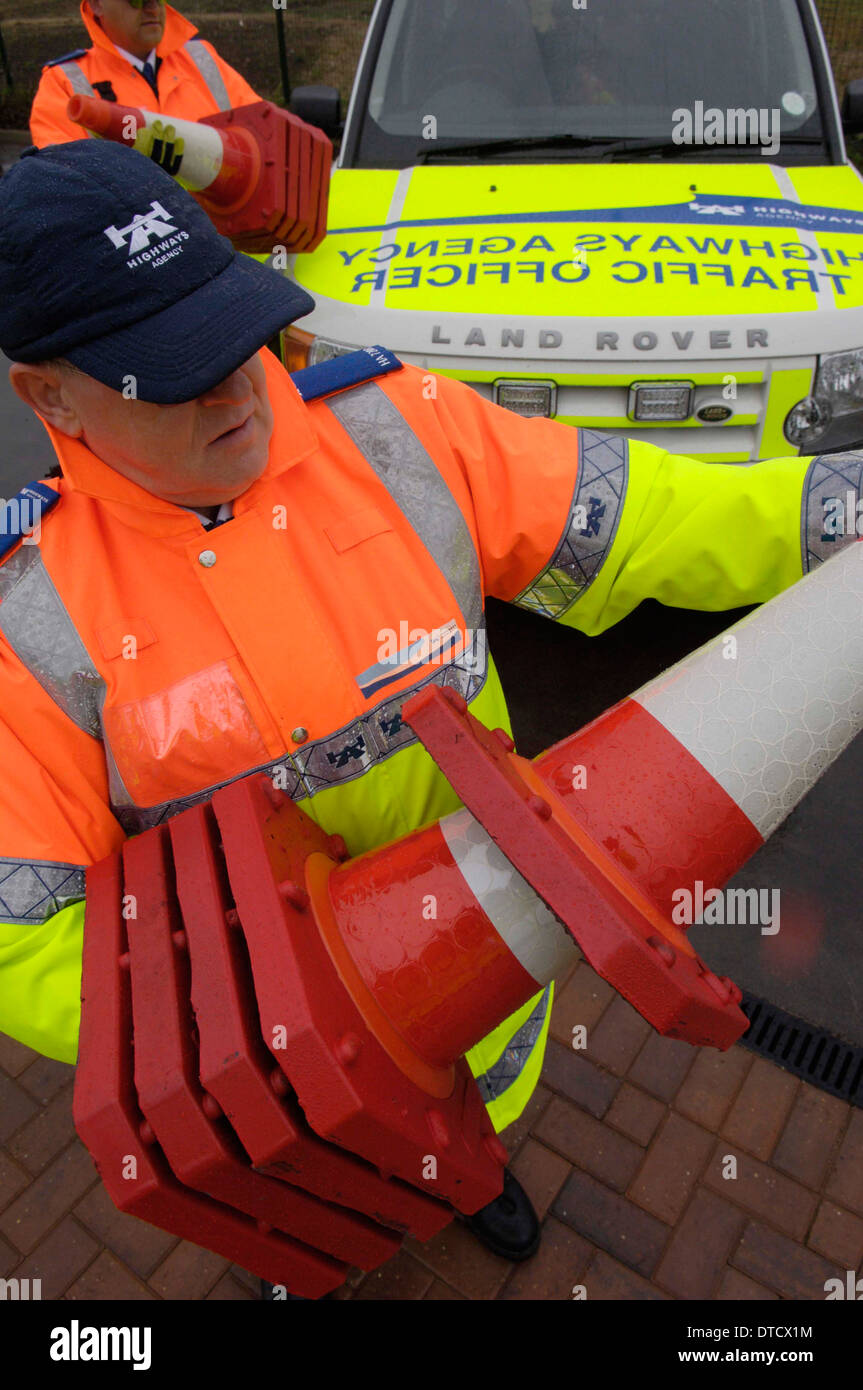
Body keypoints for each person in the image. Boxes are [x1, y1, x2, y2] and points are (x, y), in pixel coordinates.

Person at [0, 141, 858, 1265]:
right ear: (46, 394)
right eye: (169, 368)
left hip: (500, 1010)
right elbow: (27, 940)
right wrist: (287, 1037)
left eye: (233, 327)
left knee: (482, 1134)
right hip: (293, 1112)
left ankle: (478, 1178)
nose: (236, 384)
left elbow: (655, 516)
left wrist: (841, 506)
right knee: (322, 1221)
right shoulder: (27, 626)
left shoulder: (396, 428)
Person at [29, 0, 260, 148]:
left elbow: (263, 136)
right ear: (97, 4)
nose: (153, 8)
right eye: (137, 0)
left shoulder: (202, 58)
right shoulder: (63, 83)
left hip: (223, 223)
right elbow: (67, 190)